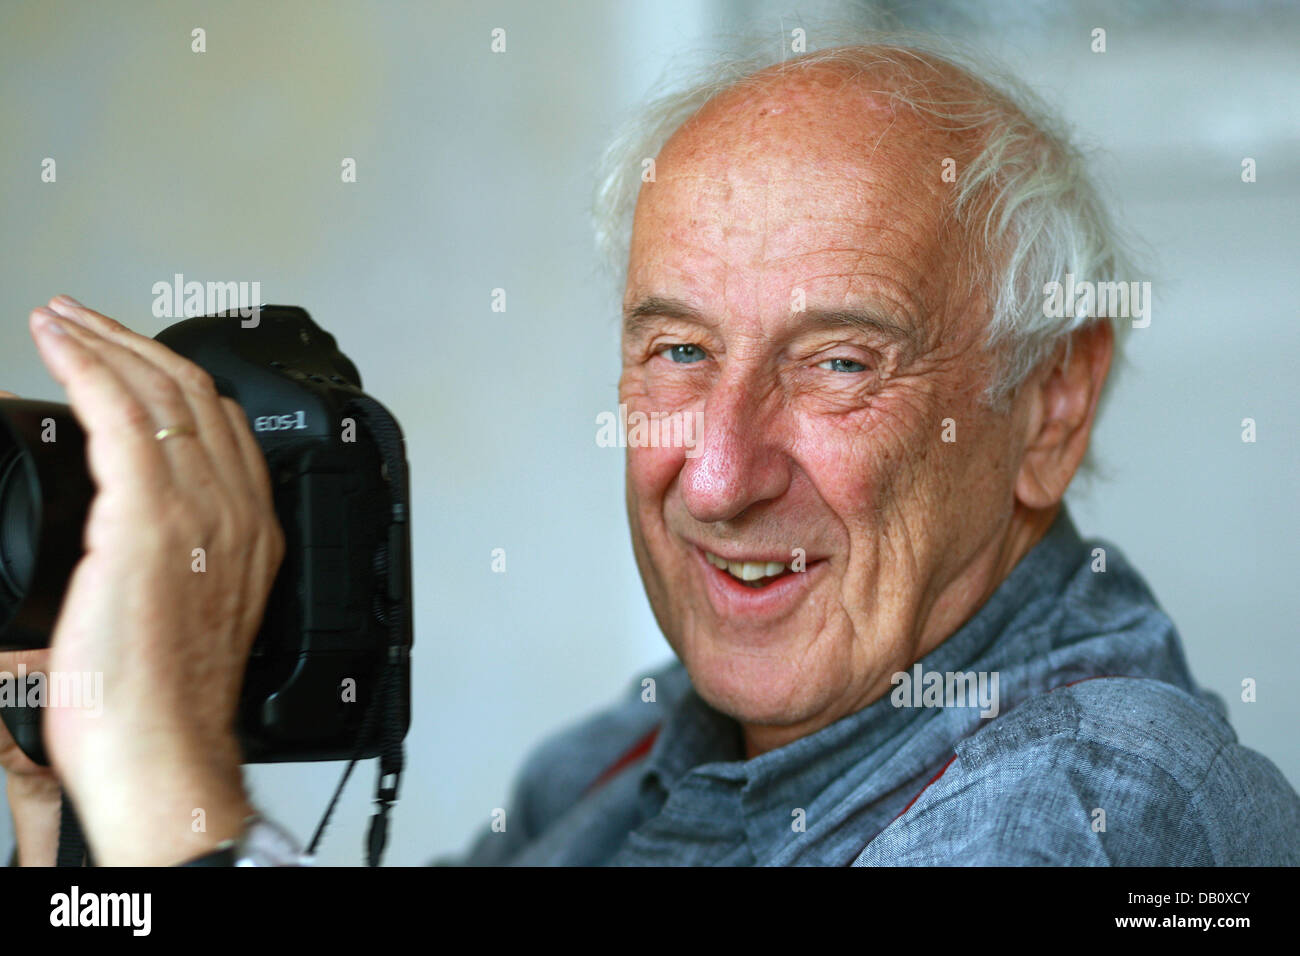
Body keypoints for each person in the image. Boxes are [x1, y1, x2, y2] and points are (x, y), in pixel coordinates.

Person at [4, 37, 1298, 866]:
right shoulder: (626, 757)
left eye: (839, 363)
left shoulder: (1100, 808)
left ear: (1052, 405)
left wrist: (167, 786)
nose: (720, 477)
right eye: (680, 351)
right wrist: (74, 806)